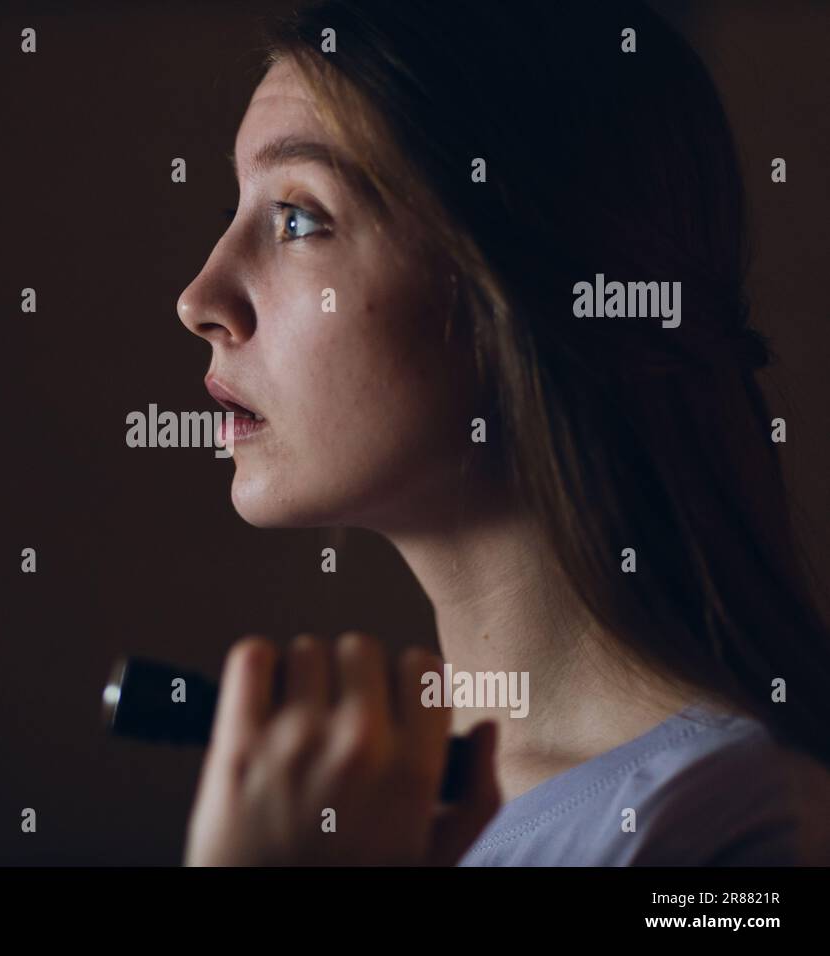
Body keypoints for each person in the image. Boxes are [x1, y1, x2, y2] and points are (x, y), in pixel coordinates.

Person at [174, 0, 830, 866]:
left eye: (299, 218)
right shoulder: (372, 801)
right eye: (237, 207)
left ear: (517, 288)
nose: (200, 300)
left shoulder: (738, 834)